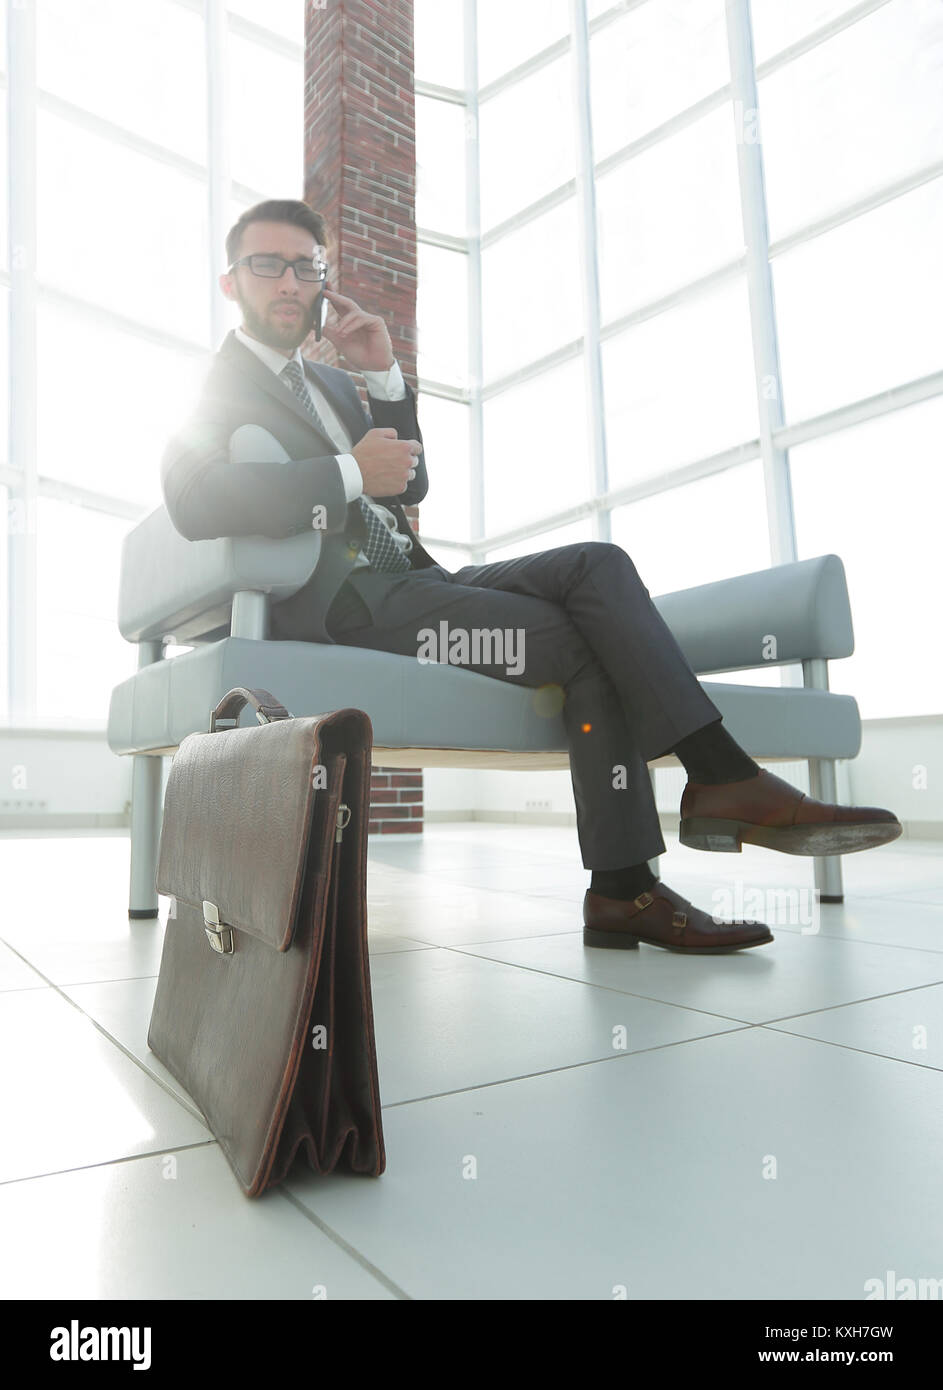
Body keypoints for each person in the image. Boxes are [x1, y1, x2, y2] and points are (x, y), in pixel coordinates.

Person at [162, 198, 902, 955]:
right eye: (267, 265)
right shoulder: (212, 386)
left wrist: (383, 374)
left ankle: (695, 806)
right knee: (580, 640)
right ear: (231, 282)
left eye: (306, 266)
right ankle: (641, 870)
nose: (290, 282)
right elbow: (194, 499)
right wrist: (349, 470)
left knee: (598, 567)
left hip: (416, 583)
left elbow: (407, 488)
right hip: (349, 604)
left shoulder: (339, 386)